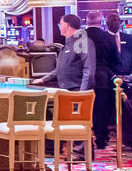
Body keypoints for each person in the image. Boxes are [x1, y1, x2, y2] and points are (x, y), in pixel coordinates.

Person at [86, 11, 120, 148]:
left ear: (87, 21)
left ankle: (83, 141)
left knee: (83, 111)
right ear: (100, 22)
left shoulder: (79, 37)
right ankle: (101, 140)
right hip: (103, 79)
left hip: (83, 79)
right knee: (101, 111)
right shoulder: (108, 37)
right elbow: (116, 61)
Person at [33, 14, 93, 91]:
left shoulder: (83, 42)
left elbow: (89, 70)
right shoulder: (69, 43)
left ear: (67, 25)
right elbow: (60, 68)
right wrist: (43, 79)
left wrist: (82, 93)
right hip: (65, 90)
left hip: (76, 91)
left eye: (60, 24)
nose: (59, 26)